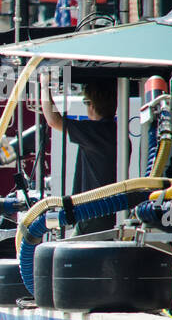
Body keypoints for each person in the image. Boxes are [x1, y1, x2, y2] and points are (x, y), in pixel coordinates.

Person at [39, 73, 118, 234]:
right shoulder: (113, 132)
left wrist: (43, 86)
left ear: (91, 105)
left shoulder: (97, 132)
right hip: (103, 212)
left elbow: (53, 120)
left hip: (92, 215)